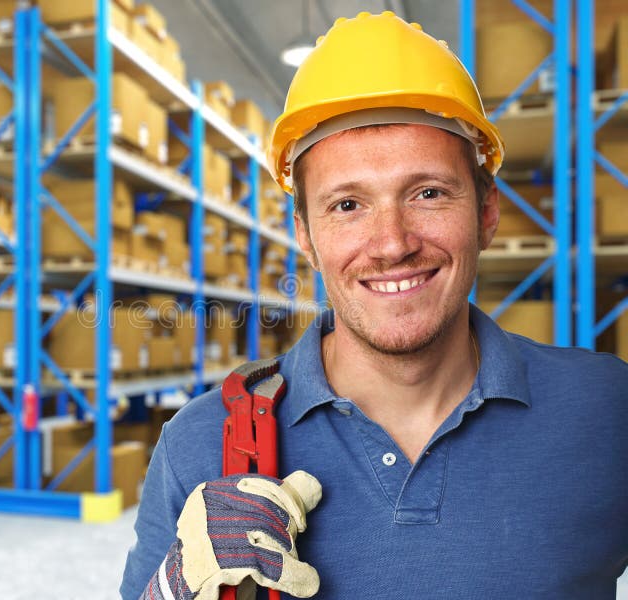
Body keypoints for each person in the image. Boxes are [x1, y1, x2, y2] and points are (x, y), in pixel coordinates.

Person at [121, 11, 628, 599]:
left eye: (428, 193)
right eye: (347, 205)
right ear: (306, 237)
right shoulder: (203, 442)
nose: (393, 243)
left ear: (486, 212)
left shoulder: (607, 410)